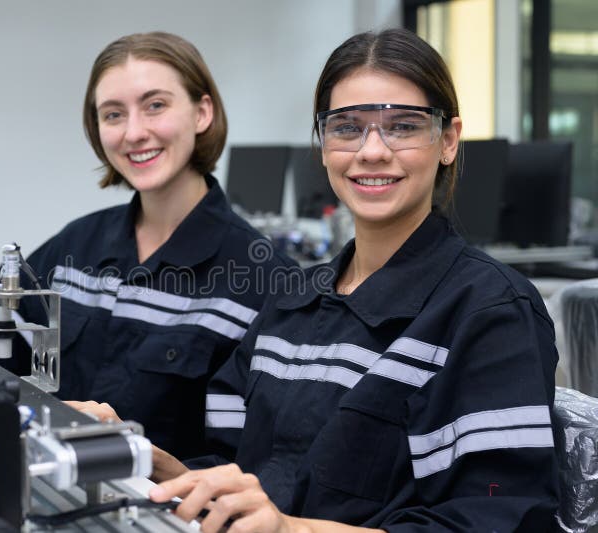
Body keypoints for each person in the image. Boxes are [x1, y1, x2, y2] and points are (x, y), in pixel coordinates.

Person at [148, 28, 560, 532]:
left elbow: (499, 519)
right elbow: (237, 469)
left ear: (448, 141)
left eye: (404, 127)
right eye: (347, 127)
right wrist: (151, 466)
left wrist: (292, 529)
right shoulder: (294, 300)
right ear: (322, 145)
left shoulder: (488, 310)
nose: (371, 151)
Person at [0, 31, 294, 460]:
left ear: (202, 112)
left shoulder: (266, 283)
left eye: (155, 105)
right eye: (113, 114)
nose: (134, 132)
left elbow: (252, 464)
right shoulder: (73, 251)